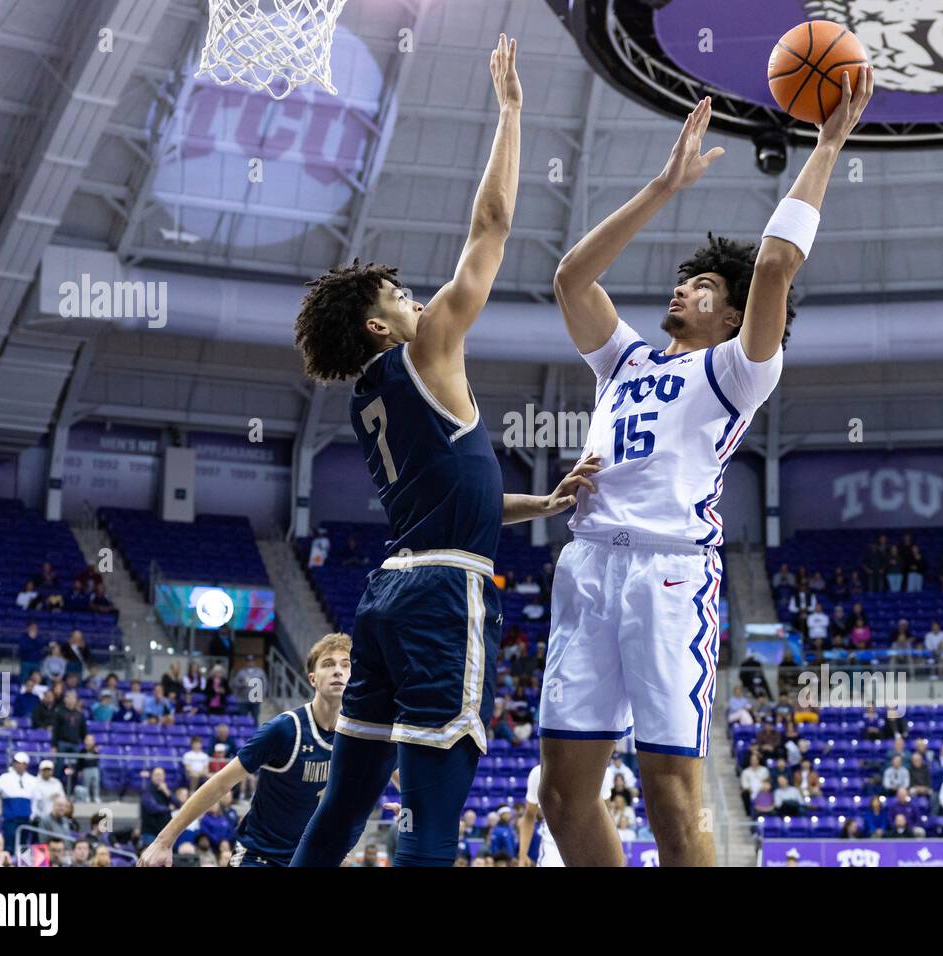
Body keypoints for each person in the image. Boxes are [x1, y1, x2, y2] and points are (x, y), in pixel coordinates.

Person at [538, 73, 874, 868]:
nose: (684, 287)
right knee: (561, 797)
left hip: (668, 574)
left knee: (669, 797)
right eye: (686, 279)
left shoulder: (738, 369)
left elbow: (774, 267)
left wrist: (826, 146)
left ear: (728, 316)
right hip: (586, 566)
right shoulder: (624, 360)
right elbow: (570, 280)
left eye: (703, 286)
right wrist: (663, 185)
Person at [289, 42, 600, 870]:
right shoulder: (427, 350)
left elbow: (457, 500)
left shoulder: (370, 401)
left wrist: (544, 503)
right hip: (442, 596)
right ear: (379, 327)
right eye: (401, 296)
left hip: (389, 592)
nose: (419, 297)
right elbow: (491, 229)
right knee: (435, 813)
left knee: (343, 807)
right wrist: (511, 113)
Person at [143, 634, 358, 867]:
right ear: (312, 679)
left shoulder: (356, 733)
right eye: (328, 664)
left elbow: (394, 770)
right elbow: (220, 784)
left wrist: (404, 804)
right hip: (260, 855)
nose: (338, 671)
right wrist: (165, 840)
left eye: (345, 665)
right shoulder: (284, 730)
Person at [0, 752, 36, 852]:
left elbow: (35, 799)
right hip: (10, 819)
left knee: (24, 847)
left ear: (26, 765)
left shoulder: (32, 780)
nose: (20, 765)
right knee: (9, 846)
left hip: (26, 819)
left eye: (22, 763)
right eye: (17, 762)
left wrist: (33, 815)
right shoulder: (5, 777)